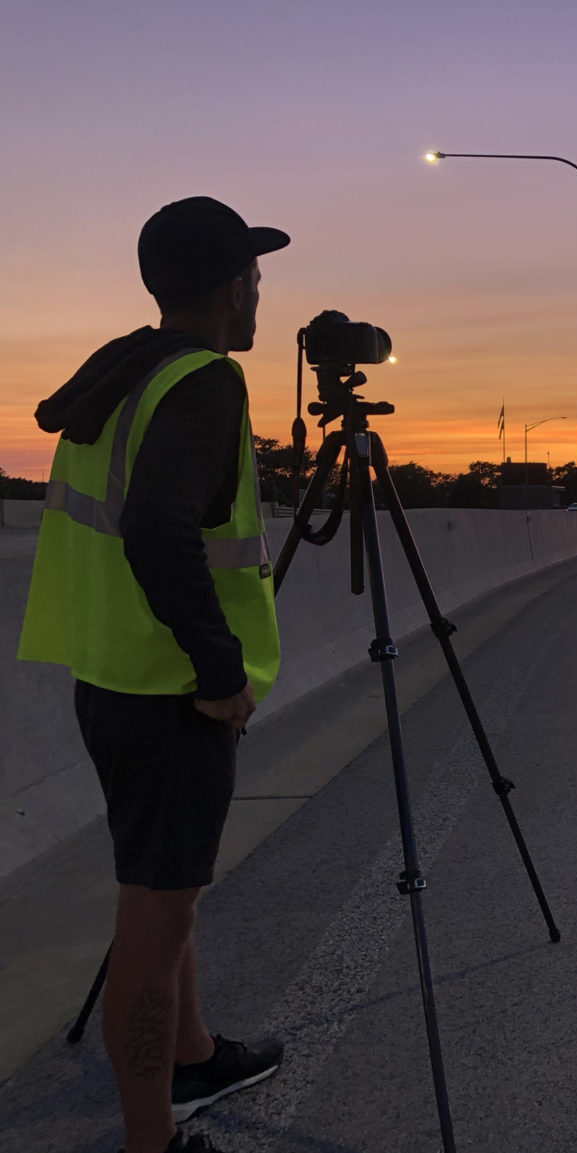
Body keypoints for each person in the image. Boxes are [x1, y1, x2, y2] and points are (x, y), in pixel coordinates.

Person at [18, 197, 290, 1153]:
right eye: (254, 278)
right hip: (169, 690)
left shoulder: (126, 372)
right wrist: (220, 671)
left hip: (114, 677)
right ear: (230, 288)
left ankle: (193, 1053)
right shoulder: (205, 384)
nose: (260, 293)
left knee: (168, 894)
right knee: (155, 915)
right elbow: (158, 529)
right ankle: (153, 1138)